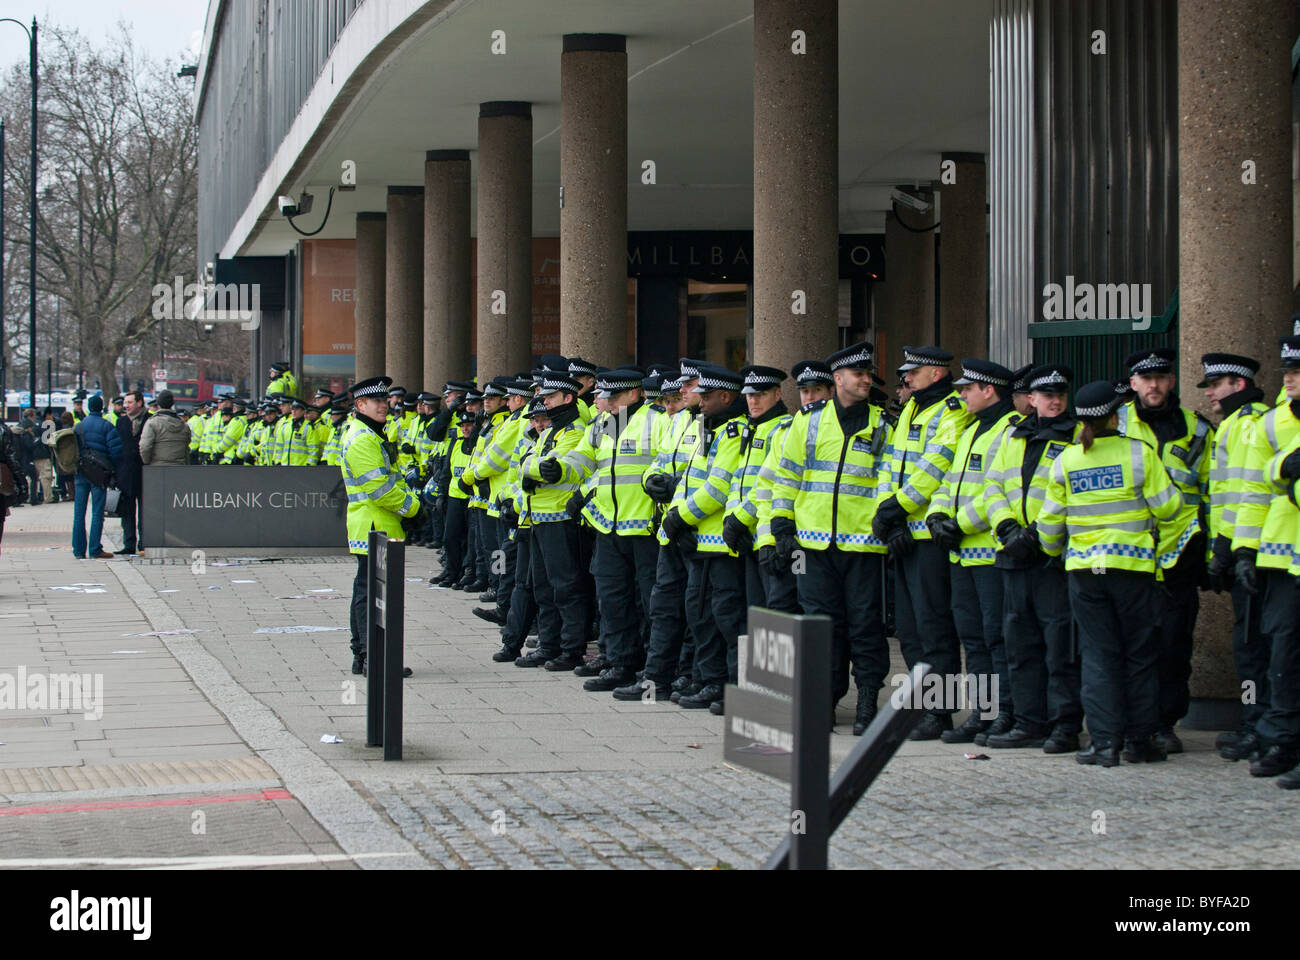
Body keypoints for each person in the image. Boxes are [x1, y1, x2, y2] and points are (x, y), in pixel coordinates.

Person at [1037, 380, 1182, 766]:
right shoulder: (1139, 454)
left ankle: (1104, 744)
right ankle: (1139, 741)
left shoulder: (1066, 460)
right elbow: (1169, 509)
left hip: (1085, 573)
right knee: (1139, 656)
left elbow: (1049, 525)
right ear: (1115, 415)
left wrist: (1055, 552)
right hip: (1131, 570)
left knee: (1099, 656)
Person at [772, 343, 892, 734]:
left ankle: (868, 700)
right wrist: (781, 524)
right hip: (813, 545)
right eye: (858, 374)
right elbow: (786, 475)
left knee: (865, 626)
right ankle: (824, 701)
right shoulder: (807, 422)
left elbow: (890, 481)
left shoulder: (884, 424)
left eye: (868, 374)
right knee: (820, 625)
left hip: (863, 545)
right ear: (838, 379)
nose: (866, 379)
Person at [980, 364, 1084, 751]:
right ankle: (1028, 721)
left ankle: (1064, 725)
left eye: (1060, 395)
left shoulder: (1078, 436)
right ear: (1032, 400)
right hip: (1013, 554)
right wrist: (1006, 528)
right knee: (1019, 645)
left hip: (1052, 557)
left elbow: (1075, 494)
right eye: (1046, 395)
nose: (1054, 401)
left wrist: (1039, 536)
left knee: (1060, 647)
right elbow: (992, 486)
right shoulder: (1013, 435)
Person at [1118, 347, 1214, 753]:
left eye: (1161, 377)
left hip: (1180, 556)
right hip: (1128, 554)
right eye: (1146, 378)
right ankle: (1129, 722)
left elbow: (1213, 493)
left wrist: (1211, 553)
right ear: (1134, 384)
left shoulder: (1196, 428)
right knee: (1127, 645)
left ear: (1171, 381)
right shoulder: (1114, 423)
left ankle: (1164, 723)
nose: (1154, 385)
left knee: (1174, 646)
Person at [873, 345, 972, 739]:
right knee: (910, 631)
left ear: (935, 373)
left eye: (912, 373)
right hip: (904, 535)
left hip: (929, 538)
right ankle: (919, 706)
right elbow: (889, 464)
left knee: (935, 630)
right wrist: (888, 514)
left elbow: (936, 468)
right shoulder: (914, 407)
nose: (905, 380)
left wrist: (895, 507)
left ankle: (941, 712)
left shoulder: (952, 409)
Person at [925, 359, 1022, 743]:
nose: (961, 393)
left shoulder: (1010, 430)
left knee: (997, 636)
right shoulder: (970, 430)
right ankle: (983, 713)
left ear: (989, 390)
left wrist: (959, 524)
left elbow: (997, 490)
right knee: (973, 638)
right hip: (961, 554)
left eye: (968, 388)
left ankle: (1005, 712)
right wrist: (936, 515)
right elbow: (950, 482)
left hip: (989, 552)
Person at [556, 367, 661, 692]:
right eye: (605, 397)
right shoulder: (602, 423)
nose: (608, 403)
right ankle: (619, 663)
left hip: (645, 527)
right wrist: (558, 469)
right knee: (612, 599)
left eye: (614, 397)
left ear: (634, 394)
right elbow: (584, 461)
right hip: (608, 526)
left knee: (650, 602)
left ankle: (651, 667)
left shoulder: (655, 421)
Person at [658, 363, 749, 711]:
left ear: (725, 397)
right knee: (700, 615)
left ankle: (732, 688)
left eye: (707, 396)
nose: (700, 400)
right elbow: (688, 480)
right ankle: (708, 681)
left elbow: (717, 488)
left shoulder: (732, 431)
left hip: (722, 544)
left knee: (728, 618)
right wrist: (677, 518)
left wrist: (679, 517)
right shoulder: (705, 426)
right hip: (699, 541)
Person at [1232, 336, 1300, 780]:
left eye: (1298, 371)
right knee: (1284, 655)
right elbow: (1254, 491)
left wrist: (1286, 478)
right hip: (1282, 563)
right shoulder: (1274, 423)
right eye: (1288, 370)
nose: (1289, 378)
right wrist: (1244, 550)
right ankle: (1287, 743)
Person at [1199, 353, 1269, 760]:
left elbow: (1246, 496)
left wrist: (1227, 549)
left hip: (1251, 551)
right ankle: (1255, 722)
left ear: (1238, 384)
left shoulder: (1249, 426)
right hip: (1241, 547)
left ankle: (1256, 724)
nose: (1209, 392)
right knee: (1252, 643)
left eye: (1215, 384)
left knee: (1252, 646)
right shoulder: (1235, 425)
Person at [338, 375, 421, 677]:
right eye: (377, 402)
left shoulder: (371, 434)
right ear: (360, 404)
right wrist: (414, 507)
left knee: (367, 590)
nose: (384, 406)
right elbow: (380, 490)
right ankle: (373, 657)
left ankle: (364, 656)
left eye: (385, 401)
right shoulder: (362, 439)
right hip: (375, 526)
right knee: (374, 596)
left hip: (376, 525)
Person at [517, 371, 590, 671]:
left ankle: (571, 649)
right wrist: (532, 472)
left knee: (566, 587)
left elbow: (551, 467)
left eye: (549, 397)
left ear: (568, 398)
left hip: (561, 518)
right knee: (544, 588)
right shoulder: (550, 430)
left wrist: (531, 471)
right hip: (538, 516)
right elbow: (526, 463)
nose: (543, 401)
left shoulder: (574, 431)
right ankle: (549, 645)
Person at [72, 395, 122, 560]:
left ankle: (78, 550)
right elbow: (116, 451)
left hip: (80, 473)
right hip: (98, 475)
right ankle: (95, 549)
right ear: (101, 408)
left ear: (88, 407)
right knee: (97, 512)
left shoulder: (79, 426)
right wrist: (111, 468)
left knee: (79, 513)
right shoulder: (107, 426)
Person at [114, 390, 149, 556]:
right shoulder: (121, 422)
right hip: (125, 472)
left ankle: (144, 543)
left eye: (129, 402)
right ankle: (129, 543)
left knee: (145, 511)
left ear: (139, 403)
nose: (126, 406)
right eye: (125, 403)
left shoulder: (150, 419)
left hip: (144, 472)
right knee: (127, 511)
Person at [140, 389, 192, 466]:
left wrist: (147, 461)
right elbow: (186, 448)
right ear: (172, 404)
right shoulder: (184, 425)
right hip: (179, 468)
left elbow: (145, 447)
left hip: (158, 468)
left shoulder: (152, 423)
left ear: (158, 404)